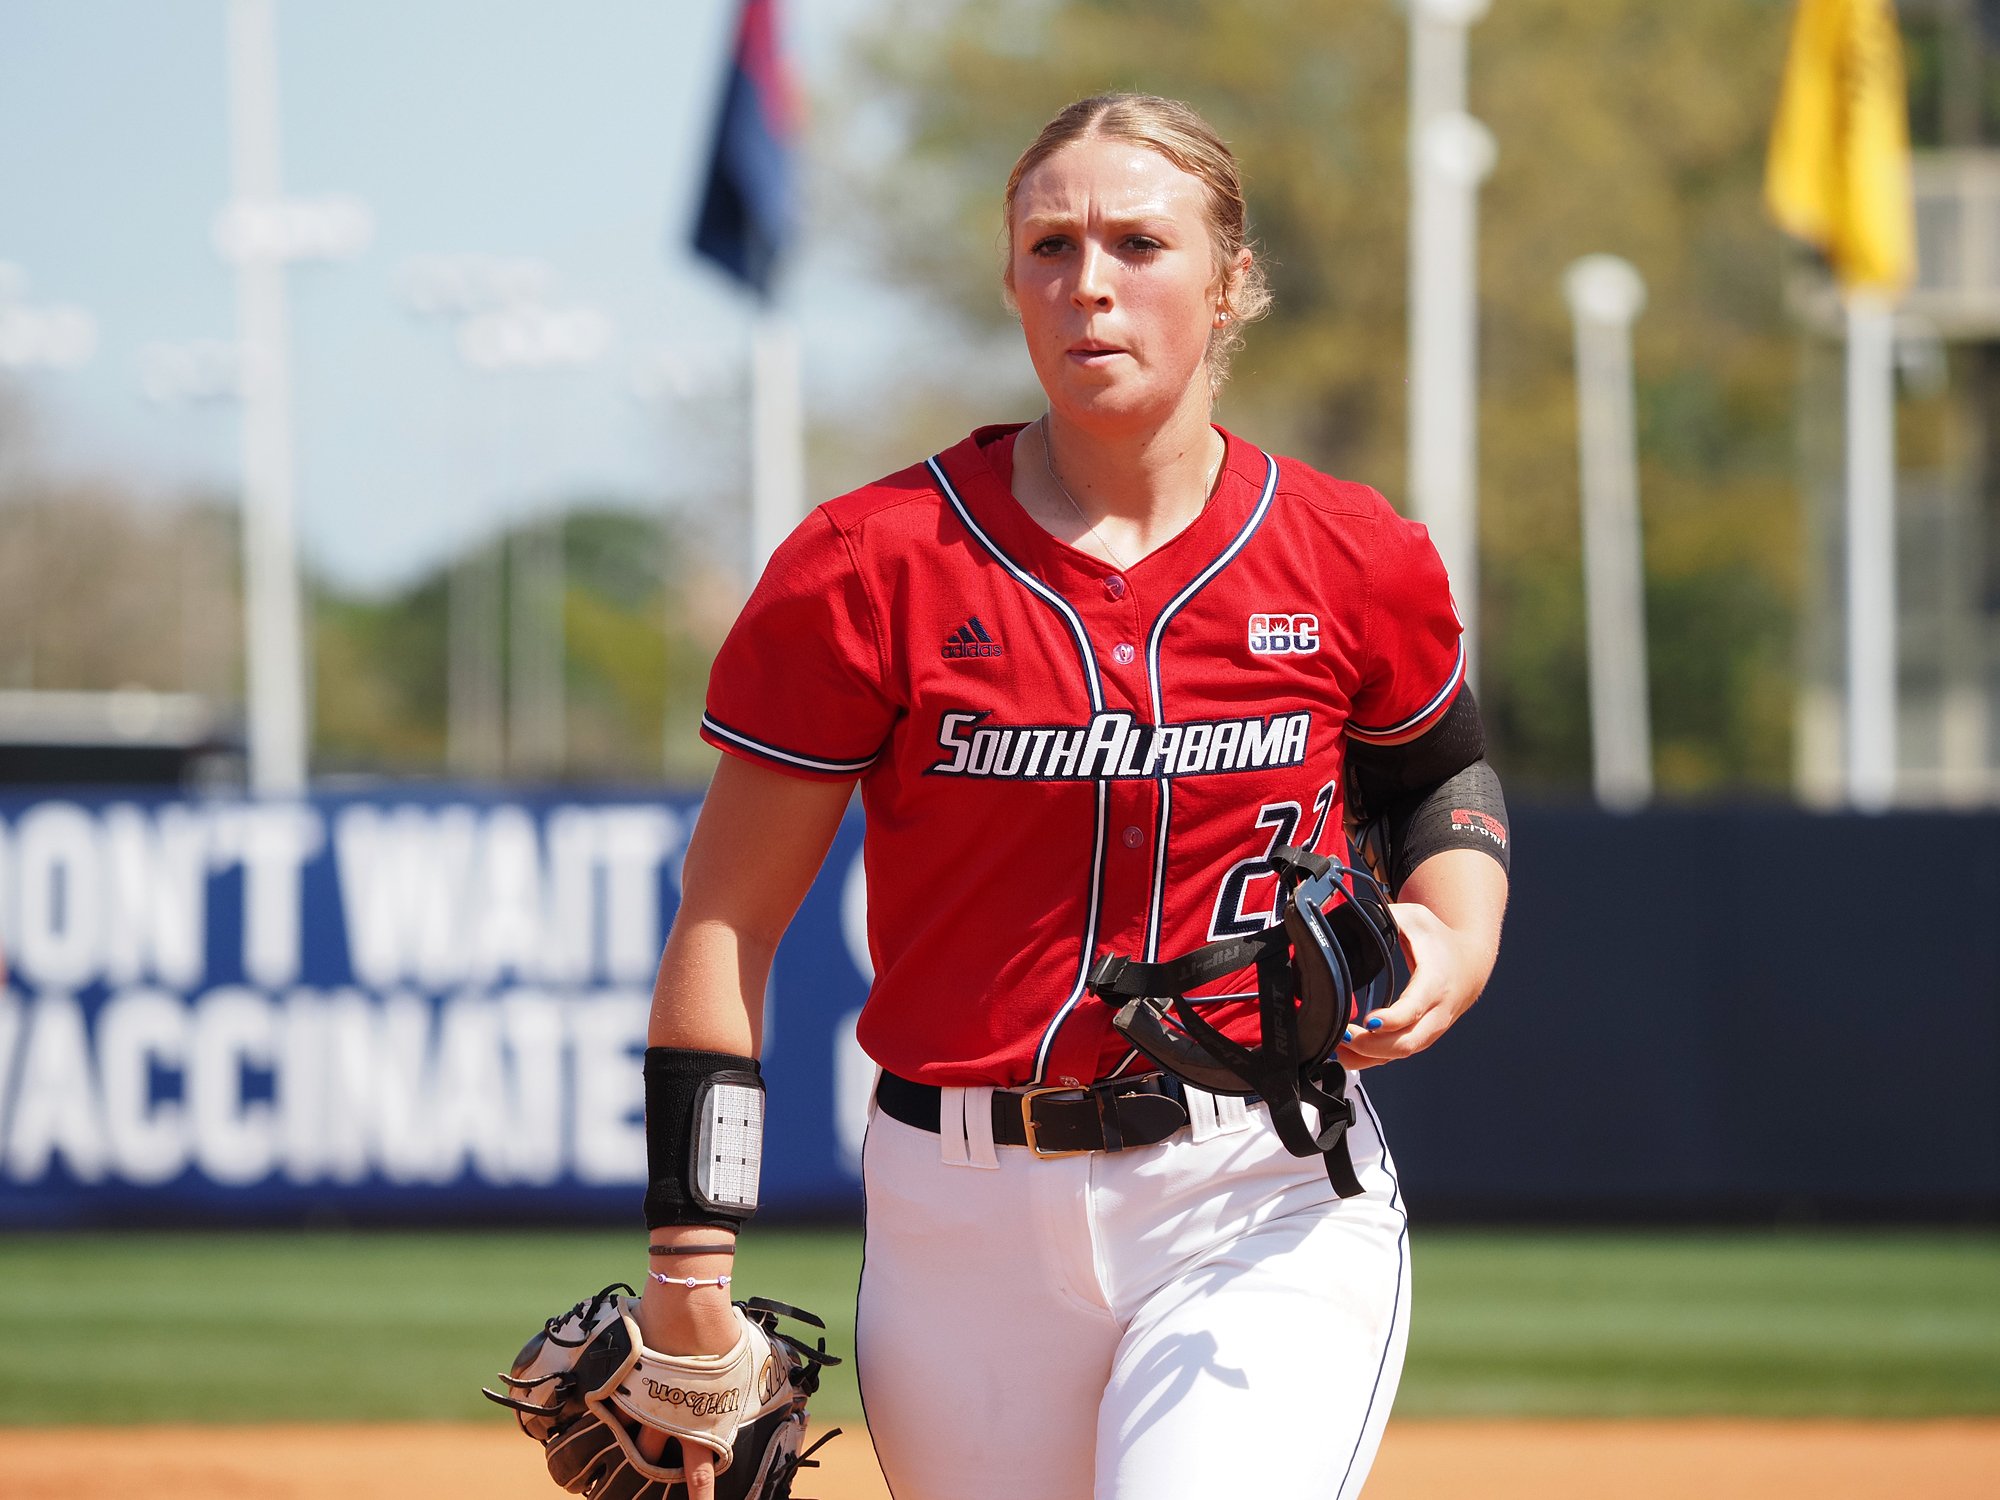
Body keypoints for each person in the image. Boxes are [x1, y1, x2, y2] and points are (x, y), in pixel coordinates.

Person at [638, 93, 1509, 1500]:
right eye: (1050, 244)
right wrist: (689, 1266)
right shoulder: (871, 563)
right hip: (956, 1211)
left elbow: (1440, 774)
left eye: (1138, 242)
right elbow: (726, 923)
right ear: (1011, 283)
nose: (1088, 281)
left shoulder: (1352, 554)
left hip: (1258, 1187)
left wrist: (1456, 933)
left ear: (1232, 284)